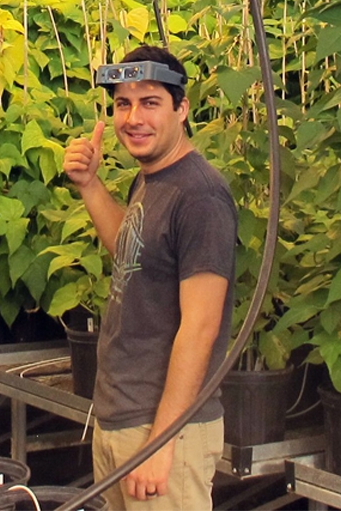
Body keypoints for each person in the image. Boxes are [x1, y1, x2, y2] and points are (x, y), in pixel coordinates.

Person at [62, 46, 236, 511]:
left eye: (150, 102)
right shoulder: (154, 178)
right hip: (123, 415)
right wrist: (91, 184)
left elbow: (200, 328)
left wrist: (162, 441)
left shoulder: (201, 197)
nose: (134, 117)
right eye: (123, 104)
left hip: (163, 430)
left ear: (182, 109)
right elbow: (132, 250)